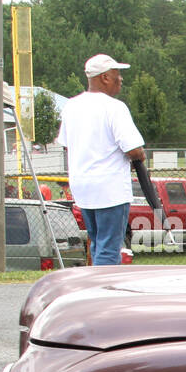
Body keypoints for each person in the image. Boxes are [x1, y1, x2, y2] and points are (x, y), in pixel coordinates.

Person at [56, 53, 150, 266]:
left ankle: (95, 287)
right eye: (117, 74)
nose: (121, 79)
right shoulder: (114, 107)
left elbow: (67, 143)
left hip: (83, 188)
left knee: (97, 242)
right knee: (109, 248)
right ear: (105, 77)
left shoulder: (71, 106)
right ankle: (103, 292)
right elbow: (135, 150)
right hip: (109, 189)